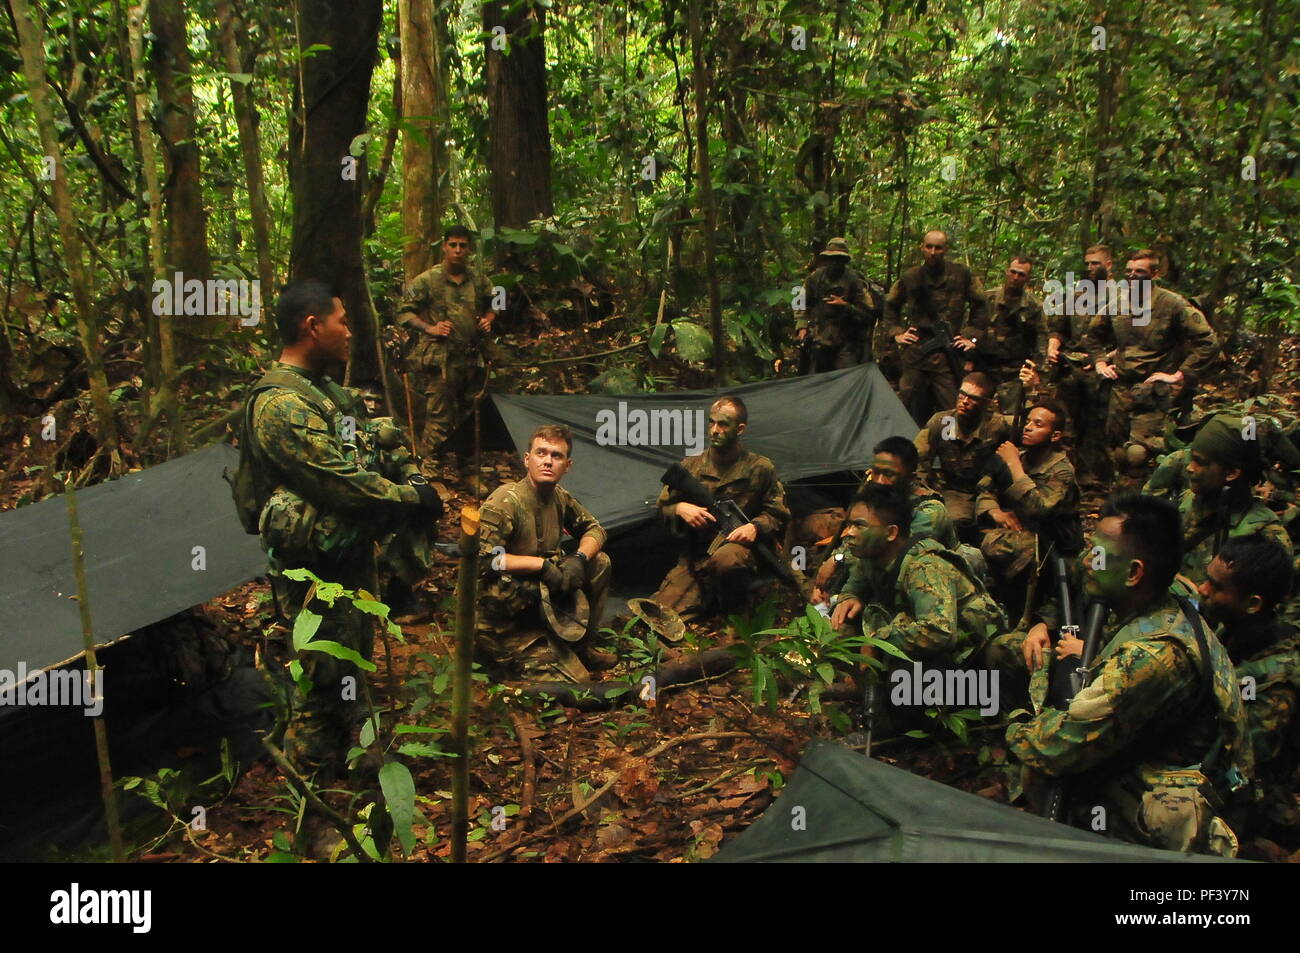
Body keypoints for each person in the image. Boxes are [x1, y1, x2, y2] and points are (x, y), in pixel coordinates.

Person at [242, 280, 443, 777]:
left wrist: (407, 470)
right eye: (342, 321)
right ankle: (317, 804)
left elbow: (371, 437)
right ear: (313, 327)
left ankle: (356, 772)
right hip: (312, 574)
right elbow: (341, 483)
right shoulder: (280, 405)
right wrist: (410, 499)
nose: (350, 332)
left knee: (352, 663)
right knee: (320, 680)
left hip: (346, 560)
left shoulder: (325, 392)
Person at [1005, 494, 1250, 856]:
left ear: (1135, 573)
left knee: (1042, 770)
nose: (1088, 561)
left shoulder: (1150, 659)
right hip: (1184, 760)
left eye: (1099, 554)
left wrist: (1016, 723)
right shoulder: (1169, 596)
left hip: (1192, 797)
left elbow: (1058, 748)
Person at [475, 424, 614, 682]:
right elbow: (485, 560)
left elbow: (595, 529)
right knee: (579, 685)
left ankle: (580, 646)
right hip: (505, 617)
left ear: (567, 465)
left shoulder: (560, 497)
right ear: (527, 459)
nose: (548, 461)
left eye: (556, 455)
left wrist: (579, 558)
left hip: (543, 602)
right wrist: (540, 565)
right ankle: (500, 657)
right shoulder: (507, 500)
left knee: (599, 562)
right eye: (541, 453)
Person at [830, 484, 1005, 670]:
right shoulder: (871, 557)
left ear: (891, 533)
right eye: (849, 525)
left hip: (972, 654)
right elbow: (856, 581)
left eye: (859, 525)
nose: (850, 533)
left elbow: (939, 632)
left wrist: (878, 642)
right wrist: (849, 595)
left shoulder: (925, 566)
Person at [1197, 536, 1299, 849]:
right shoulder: (1237, 626)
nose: (1203, 589)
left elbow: (1244, 758)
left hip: (1254, 804)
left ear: (1253, 604)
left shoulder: (1279, 678)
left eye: (1216, 587)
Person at [653, 396, 790, 622]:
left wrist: (754, 527)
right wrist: (679, 508)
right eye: (712, 422)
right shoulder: (691, 467)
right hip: (696, 555)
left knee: (727, 560)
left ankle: (735, 616)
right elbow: (661, 509)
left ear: (740, 429)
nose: (715, 430)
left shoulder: (760, 468)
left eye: (724, 424)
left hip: (741, 549)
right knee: (662, 616)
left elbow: (778, 512)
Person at [1092, 248, 1220, 482]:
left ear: (1155, 273)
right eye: (1128, 271)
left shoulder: (1172, 304)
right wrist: (1100, 361)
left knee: (1137, 454)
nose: (1132, 276)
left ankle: (1145, 504)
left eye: (1139, 272)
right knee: (1119, 452)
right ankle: (1121, 503)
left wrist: (1178, 374)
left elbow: (1208, 342)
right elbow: (1092, 335)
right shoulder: (1117, 302)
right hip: (1120, 389)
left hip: (1153, 391)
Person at [396, 225, 497, 472]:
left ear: (469, 249)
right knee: (439, 417)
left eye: (463, 245)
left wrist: (489, 319)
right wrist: (430, 328)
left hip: (471, 358)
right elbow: (403, 312)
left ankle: (468, 469)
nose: (458, 250)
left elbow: (498, 301)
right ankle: (430, 470)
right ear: (444, 246)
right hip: (440, 360)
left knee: (469, 415)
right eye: (453, 245)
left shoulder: (479, 279)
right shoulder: (427, 280)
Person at [1175, 414, 1293, 592]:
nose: (1190, 468)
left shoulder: (1266, 536)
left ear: (1231, 473)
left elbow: (1265, 609)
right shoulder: (1187, 500)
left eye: (1200, 462)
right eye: (1192, 459)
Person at [881, 229, 988, 425]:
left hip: (948, 354)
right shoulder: (911, 276)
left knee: (952, 410)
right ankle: (910, 448)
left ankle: (950, 449)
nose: (932, 252)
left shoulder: (960, 274)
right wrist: (897, 333)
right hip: (916, 353)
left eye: (938, 248)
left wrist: (969, 337)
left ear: (945, 249)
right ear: (922, 248)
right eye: (928, 247)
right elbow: (890, 304)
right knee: (908, 406)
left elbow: (980, 306)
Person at [976, 399, 1080, 594]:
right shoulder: (1020, 456)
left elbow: (1040, 509)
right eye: (1028, 422)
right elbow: (985, 488)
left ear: (1055, 435)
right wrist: (995, 511)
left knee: (996, 546)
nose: (1028, 428)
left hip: (1050, 541)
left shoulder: (1062, 470)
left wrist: (1014, 465)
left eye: (1038, 424)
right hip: (1015, 529)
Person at [914, 371, 1014, 542]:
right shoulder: (944, 422)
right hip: (954, 490)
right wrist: (922, 491)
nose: (964, 401)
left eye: (973, 398)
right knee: (952, 519)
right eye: (962, 394)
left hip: (987, 490)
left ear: (987, 403)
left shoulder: (997, 426)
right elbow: (918, 460)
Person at [962, 255, 1042, 413]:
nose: (1016, 277)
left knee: (1009, 417)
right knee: (971, 408)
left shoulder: (1033, 306)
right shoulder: (988, 298)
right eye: (1013, 272)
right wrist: (971, 345)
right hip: (984, 366)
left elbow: (1041, 338)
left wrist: (1037, 370)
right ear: (1007, 272)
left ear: (1027, 278)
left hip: (1013, 371)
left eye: (1021, 274)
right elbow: (971, 327)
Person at [794, 237, 879, 372]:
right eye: (831, 259)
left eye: (839, 259)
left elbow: (868, 311)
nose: (834, 263)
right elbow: (799, 301)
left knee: (847, 377)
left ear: (844, 261)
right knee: (814, 379)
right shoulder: (815, 278)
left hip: (845, 341)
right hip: (819, 338)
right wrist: (802, 326)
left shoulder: (853, 280)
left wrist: (846, 306)